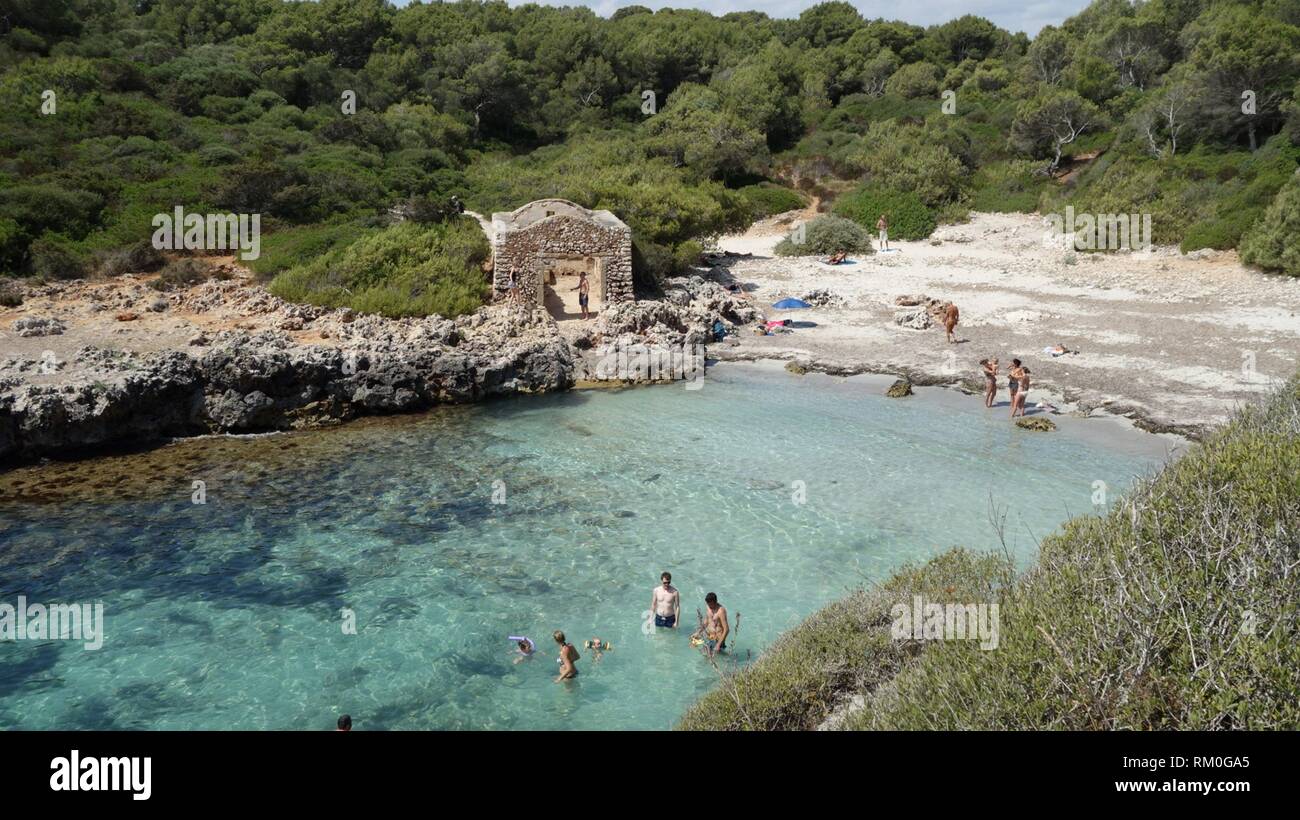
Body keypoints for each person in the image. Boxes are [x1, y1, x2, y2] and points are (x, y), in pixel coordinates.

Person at [697, 592, 729, 657]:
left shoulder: (721, 611)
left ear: (715, 602)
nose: (709, 606)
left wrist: (718, 644)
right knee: (706, 657)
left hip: (718, 640)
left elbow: (726, 629)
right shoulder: (708, 607)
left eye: (710, 605)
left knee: (719, 660)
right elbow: (706, 622)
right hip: (709, 638)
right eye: (708, 604)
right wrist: (698, 632)